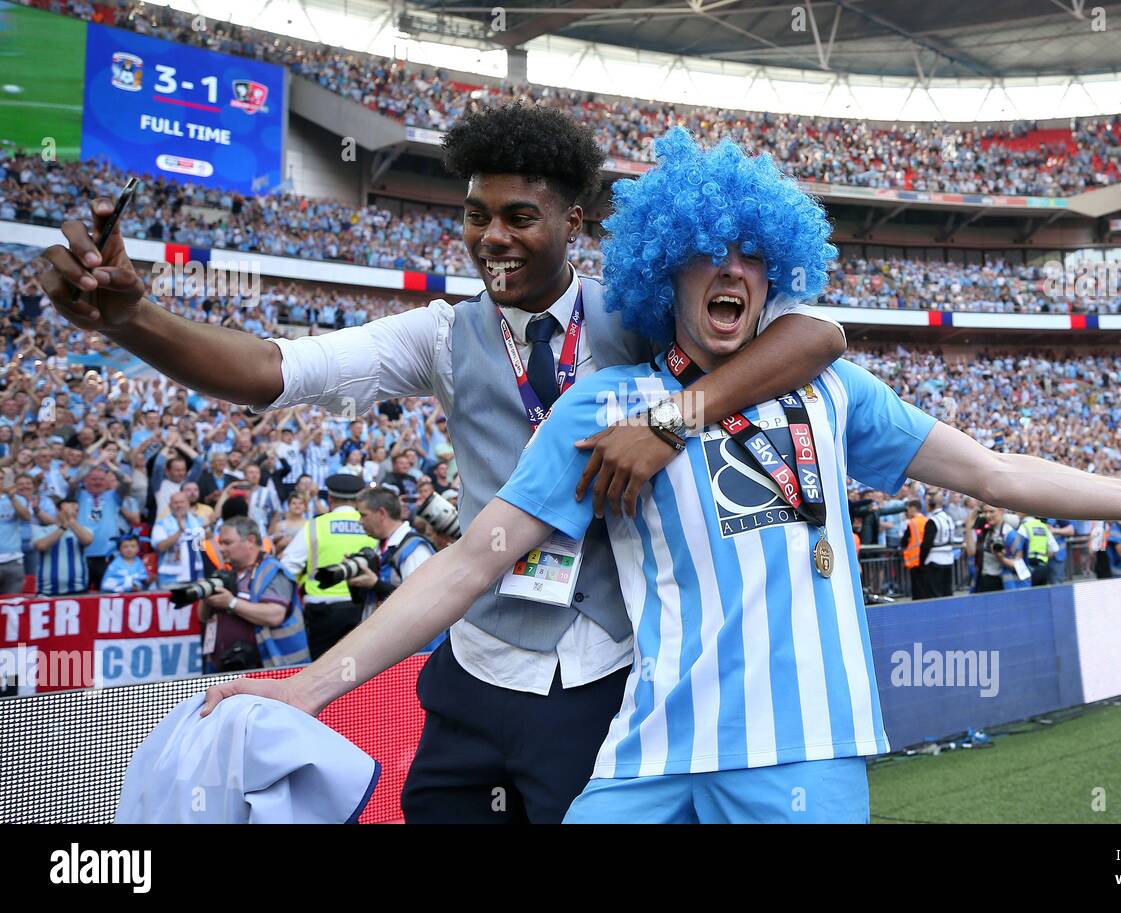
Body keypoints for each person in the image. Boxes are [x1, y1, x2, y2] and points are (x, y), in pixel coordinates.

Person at [200, 127, 1121, 824]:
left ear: (774, 268)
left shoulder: (833, 395)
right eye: (704, 256)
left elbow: (996, 474)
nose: (729, 271)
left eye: (749, 254)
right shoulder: (598, 408)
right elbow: (476, 558)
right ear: (669, 275)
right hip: (647, 745)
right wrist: (311, 684)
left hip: (797, 749)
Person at [41, 104, 846, 824]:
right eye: (475, 214)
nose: (492, 236)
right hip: (474, 666)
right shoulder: (441, 336)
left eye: (519, 215)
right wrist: (136, 319)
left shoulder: (640, 321)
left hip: (605, 673)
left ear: (575, 219)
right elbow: (270, 370)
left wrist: (673, 417)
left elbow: (814, 336)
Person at [278, 474, 376, 659]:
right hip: (363, 608)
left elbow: (288, 566)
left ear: (330, 498)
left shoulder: (316, 525)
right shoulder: (370, 523)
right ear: (358, 499)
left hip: (322, 612)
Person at [198, 516, 312, 673]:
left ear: (250, 541)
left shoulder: (273, 571)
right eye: (220, 543)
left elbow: (274, 615)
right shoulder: (225, 573)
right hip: (226, 669)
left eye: (227, 543)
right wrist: (206, 598)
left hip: (272, 672)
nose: (221, 549)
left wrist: (231, 603)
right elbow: (203, 617)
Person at [351, 486, 439, 641]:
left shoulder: (414, 549)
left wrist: (376, 584)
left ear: (381, 514)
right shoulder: (380, 547)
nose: (360, 521)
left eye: (363, 515)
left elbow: (423, 603)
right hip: (386, 641)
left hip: (412, 648)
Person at [32, 497, 93, 596]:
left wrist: (71, 521)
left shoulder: (83, 530)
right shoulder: (42, 530)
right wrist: (63, 527)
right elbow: (41, 546)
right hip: (47, 590)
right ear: (57, 510)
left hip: (77, 588)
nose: (72, 513)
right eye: (68, 510)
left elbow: (87, 540)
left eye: (76, 510)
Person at [150, 490, 206, 587]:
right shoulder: (161, 525)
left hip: (196, 577)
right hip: (170, 580)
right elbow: (160, 547)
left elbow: (205, 546)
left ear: (188, 504)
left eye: (182, 502)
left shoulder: (198, 521)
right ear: (170, 505)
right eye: (175, 502)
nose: (179, 505)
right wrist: (179, 532)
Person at [0, 468, 33, 594]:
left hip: (13, 560)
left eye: (2, 478)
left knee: (13, 606)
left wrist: (12, 497)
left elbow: (26, 517)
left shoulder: (19, 499)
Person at [924, 492, 957, 597]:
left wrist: (921, 561)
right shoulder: (948, 518)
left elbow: (927, 543)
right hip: (948, 559)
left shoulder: (933, 520)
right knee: (947, 593)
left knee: (935, 595)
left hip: (934, 559)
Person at [900, 499, 933, 600]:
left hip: (915, 558)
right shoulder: (927, 520)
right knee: (926, 586)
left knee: (917, 589)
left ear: (913, 508)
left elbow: (904, 541)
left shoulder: (912, 522)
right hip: (927, 556)